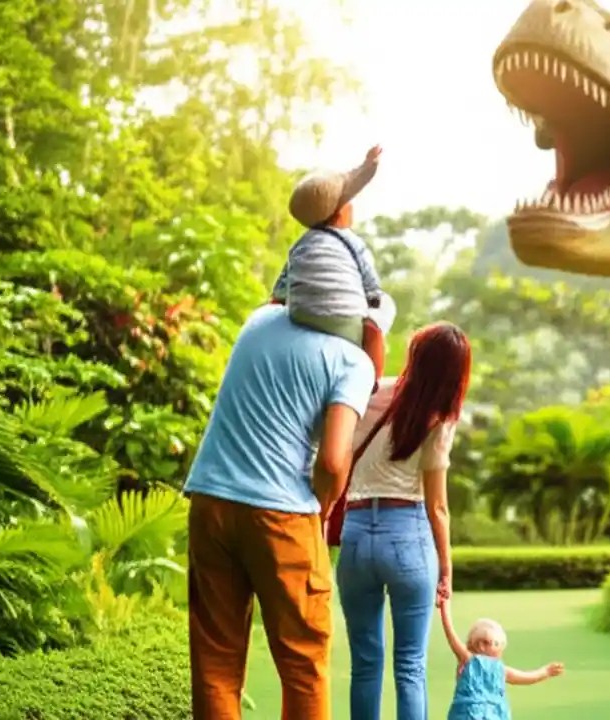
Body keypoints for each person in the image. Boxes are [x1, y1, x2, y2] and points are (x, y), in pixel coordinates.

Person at [182, 300, 379, 720]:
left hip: (210, 501)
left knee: (215, 663)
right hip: (282, 514)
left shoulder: (261, 319)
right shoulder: (355, 361)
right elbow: (331, 460)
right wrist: (322, 510)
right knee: (303, 666)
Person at [335, 322, 472, 720]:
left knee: (365, 664)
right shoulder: (440, 417)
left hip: (357, 533)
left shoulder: (370, 391)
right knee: (410, 666)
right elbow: (438, 507)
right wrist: (446, 568)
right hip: (408, 536)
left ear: (415, 355)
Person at [271, 145, 389, 383]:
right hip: (342, 325)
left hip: (301, 317)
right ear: (340, 213)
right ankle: (372, 380)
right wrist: (374, 304)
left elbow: (279, 294)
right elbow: (371, 288)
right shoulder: (351, 242)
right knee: (382, 311)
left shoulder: (299, 246)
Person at [439, 600, 565, 720]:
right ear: (482, 645)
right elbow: (451, 635)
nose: (501, 650)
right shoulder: (469, 660)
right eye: (497, 644)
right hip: (470, 713)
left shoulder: (499, 669)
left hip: (492, 714)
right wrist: (445, 608)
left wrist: (545, 672)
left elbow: (525, 677)